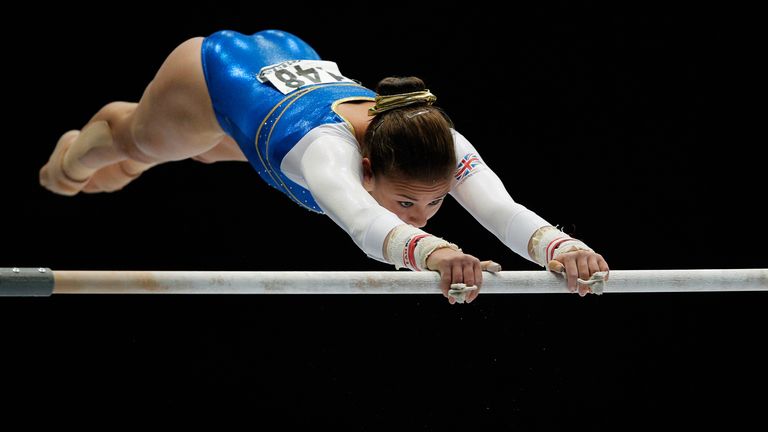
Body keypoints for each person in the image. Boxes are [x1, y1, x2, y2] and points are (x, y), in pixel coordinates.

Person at [39, 29, 609, 303]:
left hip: (288, 75)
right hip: (214, 75)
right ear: (364, 162)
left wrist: (559, 248)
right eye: (406, 202)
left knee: (214, 151)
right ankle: (77, 151)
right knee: (134, 147)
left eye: (433, 203)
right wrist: (436, 254)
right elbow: (362, 223)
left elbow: (501, 210)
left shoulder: (438, 141)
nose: (421, 217)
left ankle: (171, 146)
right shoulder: (326, 151)